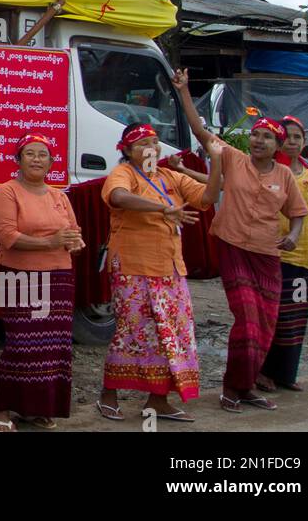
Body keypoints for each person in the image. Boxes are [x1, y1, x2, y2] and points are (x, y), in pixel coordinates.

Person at [172, 69, 307, 413]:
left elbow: (298, 214)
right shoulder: (233, 158)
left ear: (278, 147)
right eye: (256, 135)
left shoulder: (285, 177)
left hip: (267, 256)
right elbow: (201, 132)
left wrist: (292, 236)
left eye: (267, 137)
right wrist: (185, 91)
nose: (259, 140)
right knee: (246, 320)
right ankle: (231, 388)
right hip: (232, 248)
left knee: (265, 325)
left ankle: (246, 386)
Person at [96, 122, 221, 423]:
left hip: (170, 268)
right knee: (133, 332)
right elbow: (118, 198)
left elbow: (207, 197)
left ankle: (159, 400)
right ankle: (108, 395)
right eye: (143, 144)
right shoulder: (123, 173)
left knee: (173, 334)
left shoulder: (170, 176)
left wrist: (216, 159)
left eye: (155, 142)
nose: (152, 148)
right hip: (133, 268)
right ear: (127, 150)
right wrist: (161, 209)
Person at [0, 135, 84, 432]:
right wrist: (50, 241)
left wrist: (75, 243)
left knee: (53, 347)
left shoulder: (59, 196)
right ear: (18, 160)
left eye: (43, 155)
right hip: (20, 275)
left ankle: (38, 409)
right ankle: (1, 410)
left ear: (52, 163)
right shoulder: (6, 192)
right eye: (30, 154)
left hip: (60, 277)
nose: (37, 159)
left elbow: (74, 232)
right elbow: (8, 238)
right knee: (22, 345)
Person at [258, 117, 308, 391]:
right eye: (287, 136)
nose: (291, 141)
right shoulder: (267, 172)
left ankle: (286, 374)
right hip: (274, 256)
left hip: (306, 258)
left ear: (304, 142)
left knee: (297, 316)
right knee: (272, 316)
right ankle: (263, 372)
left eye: (297, 137)